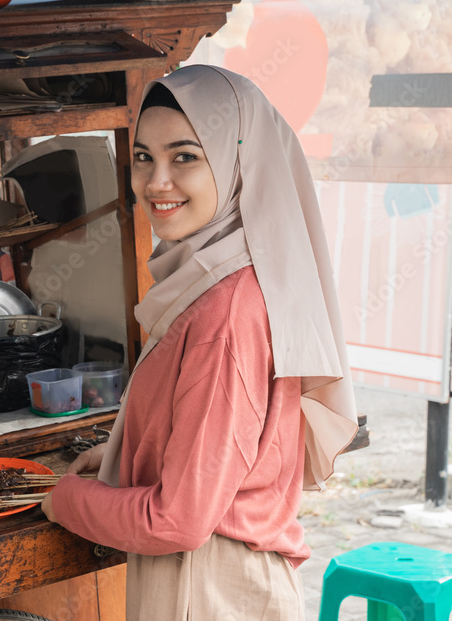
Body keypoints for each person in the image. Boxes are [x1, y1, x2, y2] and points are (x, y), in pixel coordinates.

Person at [41, 65, 359, 620]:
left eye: (185, 156)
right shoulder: (235, 276)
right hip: (221, 577)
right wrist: (126, 454)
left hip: (209, 586)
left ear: (237, 164)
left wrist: (64, 500)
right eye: (143, 157)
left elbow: (177, 520)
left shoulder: (225, 312)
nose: (156, 182)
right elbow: (233, 449)